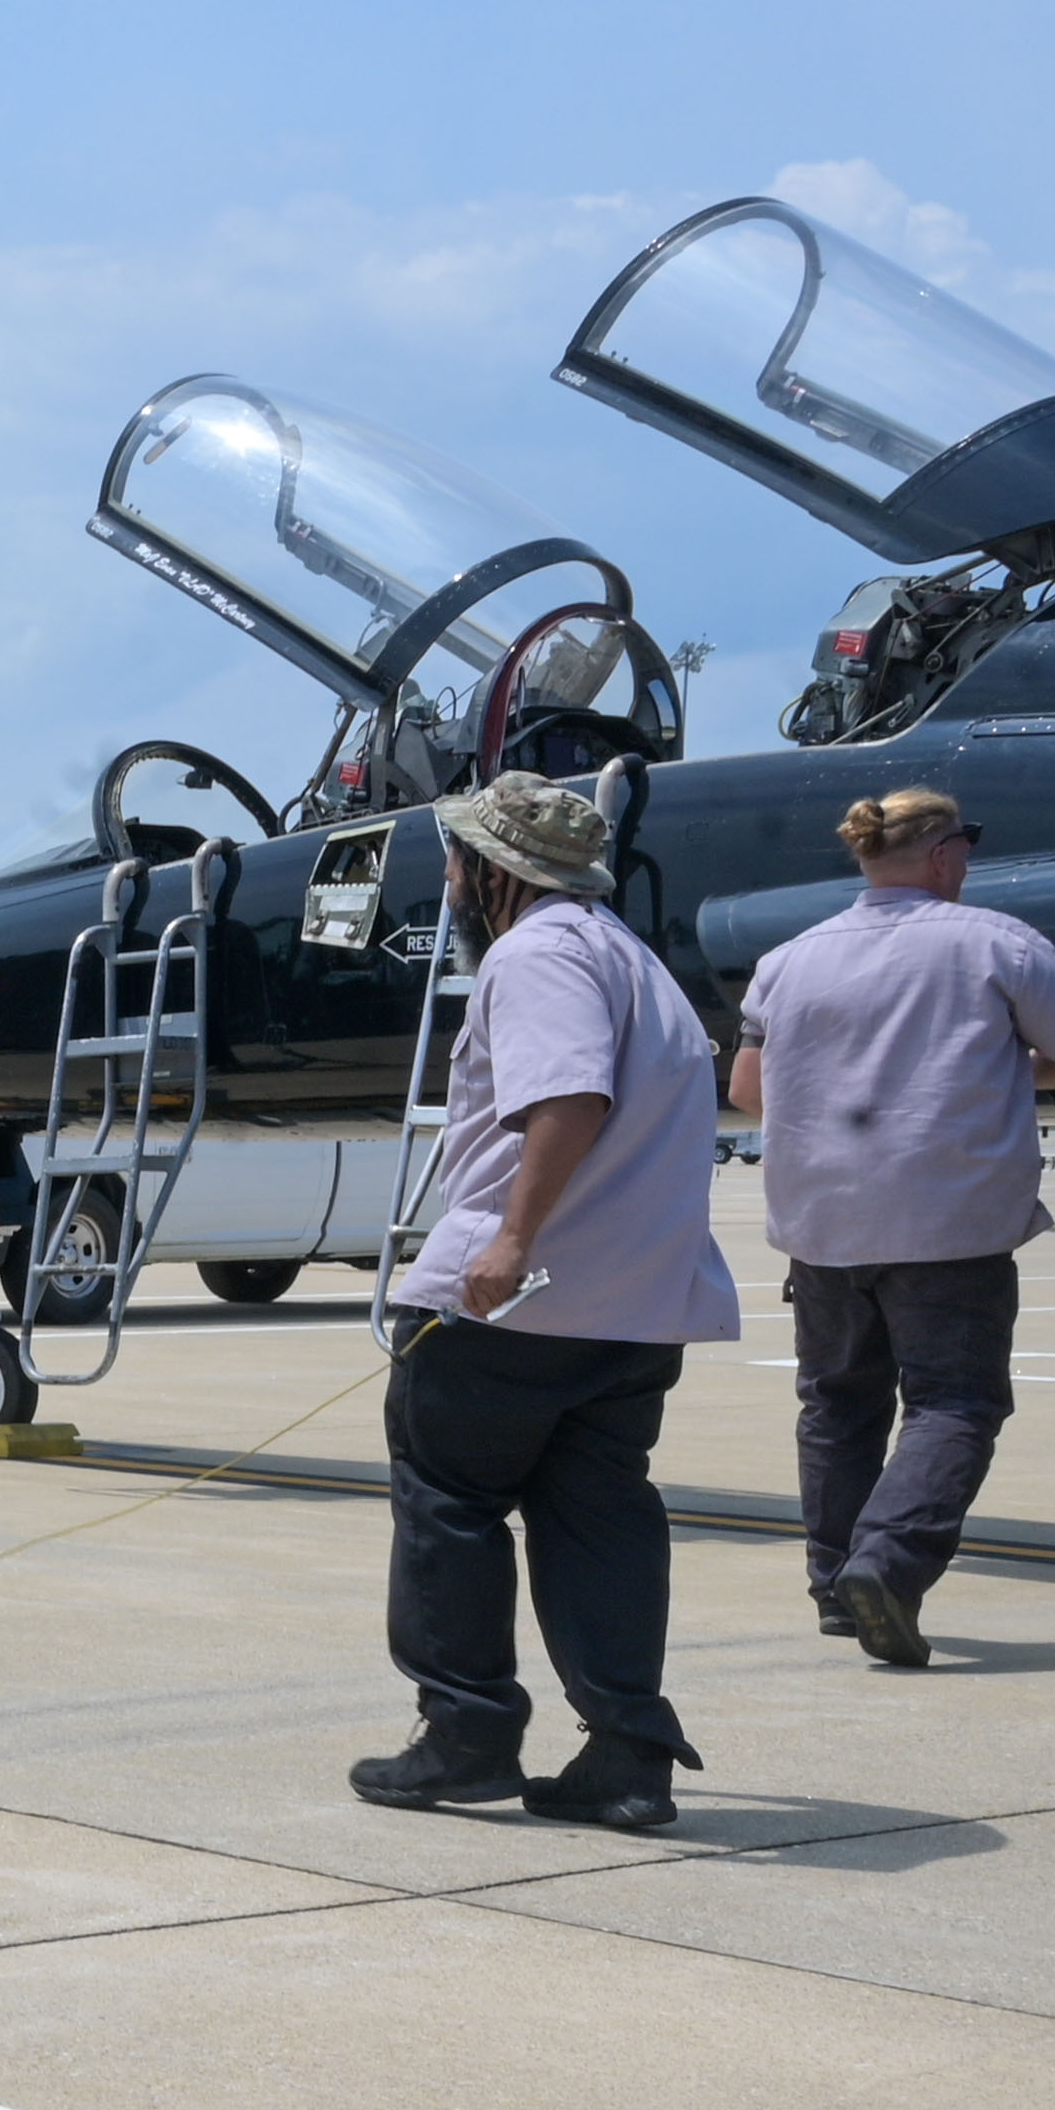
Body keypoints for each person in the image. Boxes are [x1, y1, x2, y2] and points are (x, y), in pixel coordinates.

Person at [348, 775, 738, 1835]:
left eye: (455, 860)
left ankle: (466, 1731)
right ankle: (625, 1754)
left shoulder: (536, 954)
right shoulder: (633, 960)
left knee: (449, 1502)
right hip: (634, 1303)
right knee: (597, 1518)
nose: (447, 880)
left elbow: (568, 1095)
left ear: (490, 872)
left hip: (522, 1295)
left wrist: (511, 1238)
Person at [725, 787, 1055, 1671]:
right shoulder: (990, 942)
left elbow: (748, 1091)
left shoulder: (787, 959)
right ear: (941, 854)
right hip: (948, 1222)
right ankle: (888, 1565)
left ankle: (834, 1585)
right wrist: (1015, 1068)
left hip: (821, 1223)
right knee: (953, 1402)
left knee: (835, 1404)